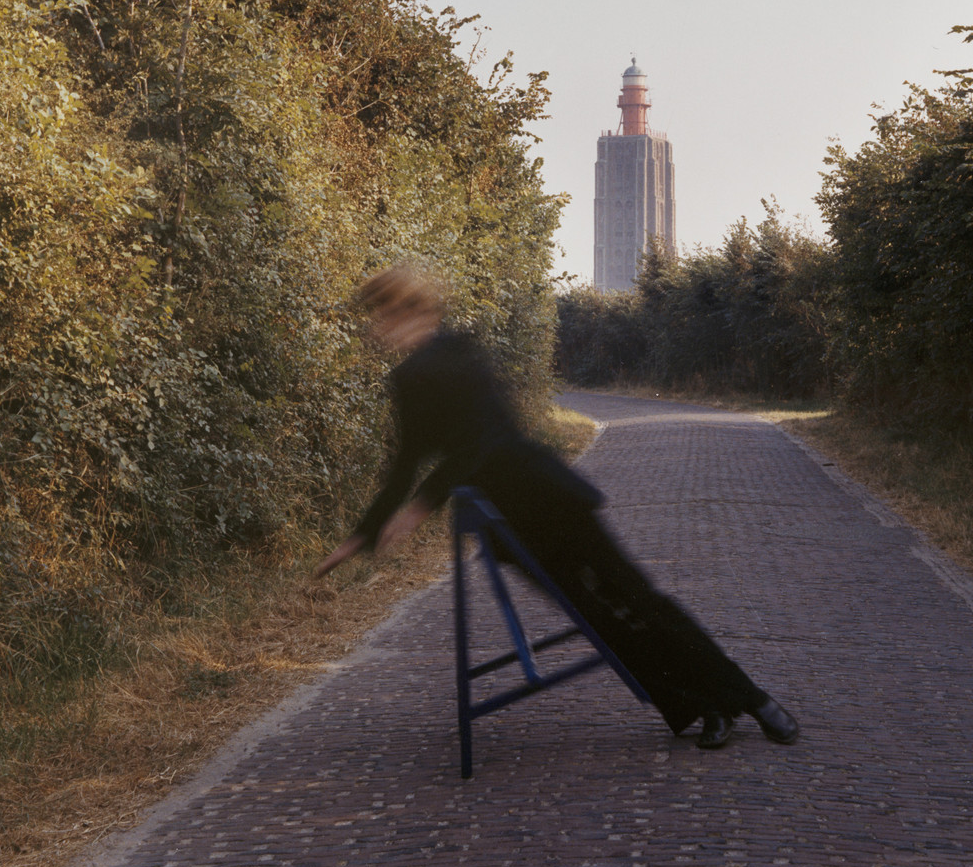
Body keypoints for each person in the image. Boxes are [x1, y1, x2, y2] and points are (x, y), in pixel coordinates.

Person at [317, 266, 799, 751]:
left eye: (387, 314)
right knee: (600, 621)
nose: (382, 327)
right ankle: (703, 707)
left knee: (639, 599)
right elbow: (404, 462)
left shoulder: (461, 351)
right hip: (510, 522)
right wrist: (362, 534)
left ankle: (752, 698)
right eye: (378, 317)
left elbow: (481, 441)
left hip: (548, 496)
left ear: (416, 310)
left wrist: (421, 505)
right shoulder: (408, 377)